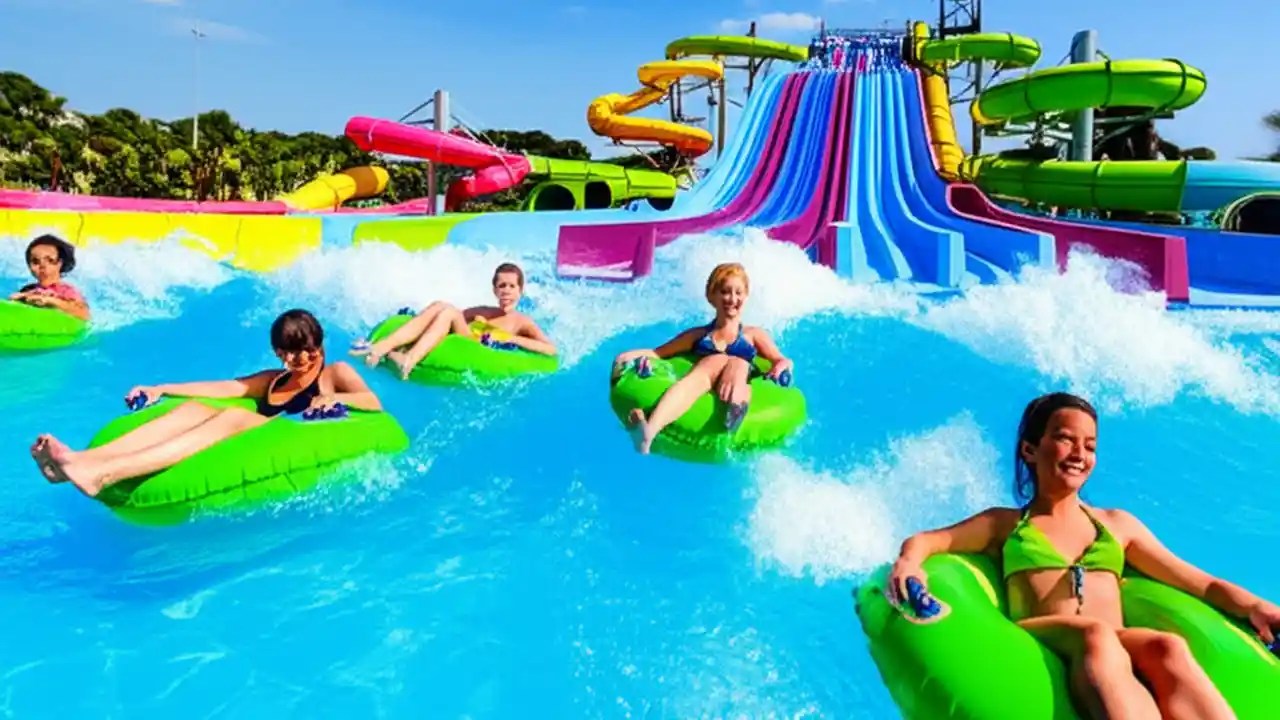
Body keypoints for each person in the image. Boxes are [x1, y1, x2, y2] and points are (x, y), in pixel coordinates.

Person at [887, 392, 1280, 720]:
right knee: (1096, 635)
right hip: (1042, 634)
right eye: (1065, 439)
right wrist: (909, 564)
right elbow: (932, 540)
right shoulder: (1007, 525)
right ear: (1030, 449)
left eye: (1089, 446)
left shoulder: (1116, 525)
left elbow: (1199, 581)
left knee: (1167, 646)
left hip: (1114, 639)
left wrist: (1256, 607)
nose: (1079, 453)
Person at [29, 309, 384, 498]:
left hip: (278, 434)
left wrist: (332, 396)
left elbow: (372, 402)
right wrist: (162, 388)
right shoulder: (274, 379)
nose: (297, 359)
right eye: (287, 352)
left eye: (304, 350)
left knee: (231, 417)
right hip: (245, 428)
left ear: (318, 345)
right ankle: (81, 461)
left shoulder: (334, 372)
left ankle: (105, 474)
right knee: (196, 408)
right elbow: (224, 386)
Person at [612, 262, 793, 455]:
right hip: (704, 378)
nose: (732, 299)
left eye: (739, 293)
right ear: (712, 296)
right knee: (713, 362)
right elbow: (659, 353)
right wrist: (625, 357)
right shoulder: (698, 335)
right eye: (725, 292)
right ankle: (649, 432)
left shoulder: (753, 335)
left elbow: (781, 360)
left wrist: (782, 366)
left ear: (746, 296)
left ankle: (735, 410)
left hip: (738, 380)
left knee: (737, 363)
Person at [351, 262, 557, 379]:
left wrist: (513, 339)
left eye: (512, 286)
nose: (506, 291)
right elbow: (445, 317)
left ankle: (407, 359)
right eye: (502, 286)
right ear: (494, 290)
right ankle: (382, 347)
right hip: (466, 337)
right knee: (442, 306)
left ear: (520, 291)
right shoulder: (483, 310)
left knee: (448, 311)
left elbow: (550, 350)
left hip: (479, 347)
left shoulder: (521, 322)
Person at [9, 234, 90, 321]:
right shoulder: (28, 289)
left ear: (60, 263)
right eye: (35, 262)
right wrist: (22, 296)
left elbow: (84, 314)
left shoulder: (67, 291)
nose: (42, 266)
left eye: (50, 260)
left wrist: (50, 301)